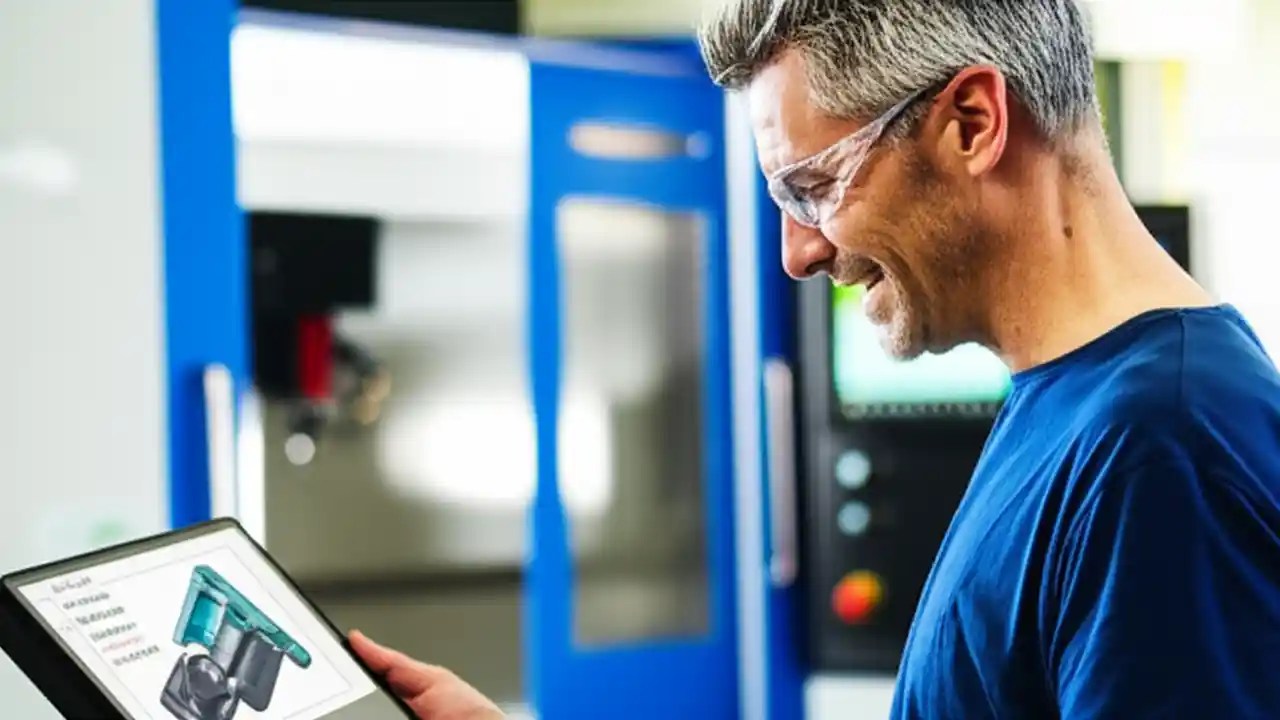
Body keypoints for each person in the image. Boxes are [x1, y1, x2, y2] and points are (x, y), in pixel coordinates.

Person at [353, 0, 1280, 717]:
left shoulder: (1162, 451)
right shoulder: (1079, 407)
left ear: (971, 121)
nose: (800, 252)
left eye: (817, 185)